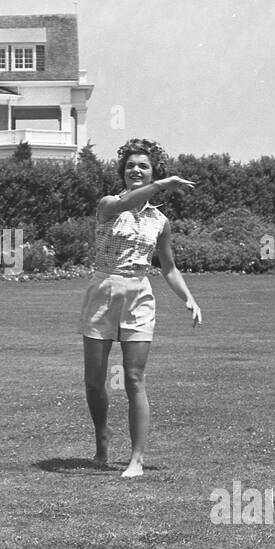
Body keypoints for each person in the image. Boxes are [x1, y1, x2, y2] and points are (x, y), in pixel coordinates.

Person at [80, 138, 202, 478]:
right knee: (94, 380)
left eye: (143, 166)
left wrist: (189, 299)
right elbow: (129, 202)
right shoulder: (108, 204)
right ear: (123, 172)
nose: (136, 170)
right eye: (131, 165)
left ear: (152, 172)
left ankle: (137, 458)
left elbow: (168, 267)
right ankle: (102, 438)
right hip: (103, 289)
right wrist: (163, 185)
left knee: (134, 378)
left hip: (139, 295)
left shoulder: (160, 221)